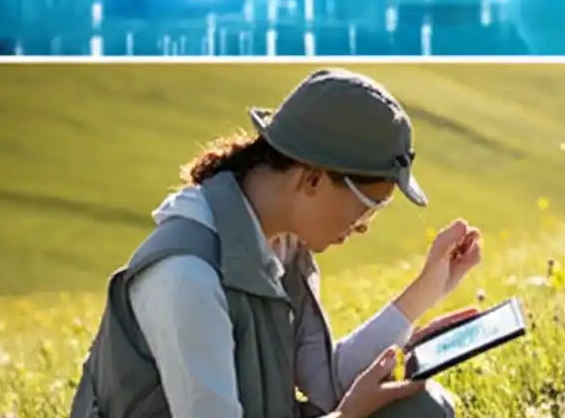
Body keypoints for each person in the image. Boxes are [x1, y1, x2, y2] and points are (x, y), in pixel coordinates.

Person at [70, 67, 483, 418]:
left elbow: (328, 382)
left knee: (420, 407)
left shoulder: (284, 245)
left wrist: (427, 292)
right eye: (367, 205)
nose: (364, 226)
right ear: (312, 179)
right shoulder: (187, 276)